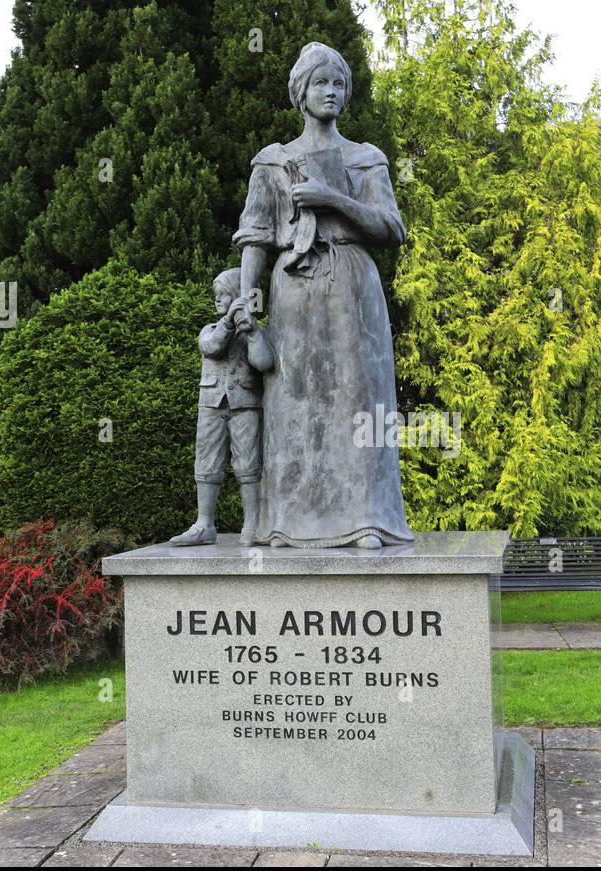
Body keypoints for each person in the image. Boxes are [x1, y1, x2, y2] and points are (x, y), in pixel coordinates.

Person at [232, 41, 414, 549]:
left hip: (354, 288)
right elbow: (256, 236)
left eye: (338, 83)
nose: (330, 92)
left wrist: (333, 198)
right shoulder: (272, 162)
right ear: (301, 92)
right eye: (320, 83)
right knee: (293, 402)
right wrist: (247, 306)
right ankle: (289, 522)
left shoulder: (366, 158)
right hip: (293, 289)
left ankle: (367, 520)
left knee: (359, 399)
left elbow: (391, 227)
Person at [170, 268, 274, 547]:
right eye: (215, 296)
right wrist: (229, 321)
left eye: (223, 295)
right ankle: (204, 524)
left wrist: (251, 332)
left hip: (246, 405)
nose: (216, 300)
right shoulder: (211, 330)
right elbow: (212, 347)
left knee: (248, 465)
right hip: (211, 405)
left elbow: (264, 363)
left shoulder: (255, 332)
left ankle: (252, 523)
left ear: (238, 297)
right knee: (207, 462)